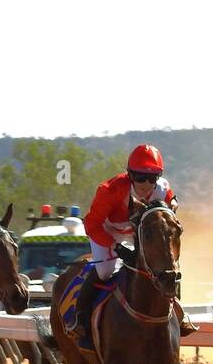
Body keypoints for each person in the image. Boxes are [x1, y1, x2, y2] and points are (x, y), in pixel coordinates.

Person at [71, 143, 198, 347]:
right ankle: (81, 317)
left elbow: (171, 204)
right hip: (107, 230)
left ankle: (178, 313)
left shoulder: (162, 189)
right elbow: (92, 224)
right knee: (105, 270)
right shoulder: (109, 190)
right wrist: (116, 247)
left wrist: (173, 205)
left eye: (152, 178)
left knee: (166, 264)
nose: (146, 184)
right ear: (130, 174)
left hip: (137, 232)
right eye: (140, 177)